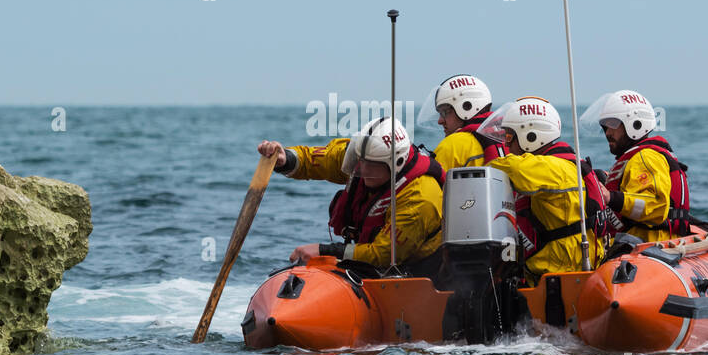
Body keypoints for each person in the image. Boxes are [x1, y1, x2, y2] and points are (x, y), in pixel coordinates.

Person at [256, 117, 444, 270]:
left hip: (412, 269)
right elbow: (322, 158)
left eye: (369, 165)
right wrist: (285, 159)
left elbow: (383, 254)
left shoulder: (419, 198)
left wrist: (325, 251)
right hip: (367, 261)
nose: (360, 168)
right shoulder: (365, 155)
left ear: (396, 164)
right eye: (359, 160)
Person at [478, 97, 603, 281]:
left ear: (531, 136)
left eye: (510, 137)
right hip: (553, 272)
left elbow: (514, 168)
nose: (507, 145)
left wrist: (474, 173)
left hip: (559, 276)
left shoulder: (552, 168)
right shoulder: (564, 164)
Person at [585, 90, 690, 243]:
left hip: (648, 246)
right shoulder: (640, 158)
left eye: (613, 124)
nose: (607, 132)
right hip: (641, 243)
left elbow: (656, 206)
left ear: (635, 124)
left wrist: (611, 197)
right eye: (605, 126)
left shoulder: (644, 157)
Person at [419, 74, 507, 171]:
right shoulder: (512, 138)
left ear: (466, 108)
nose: (440, 121)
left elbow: (430, 185)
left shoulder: (452, 146)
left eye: (445, 112)